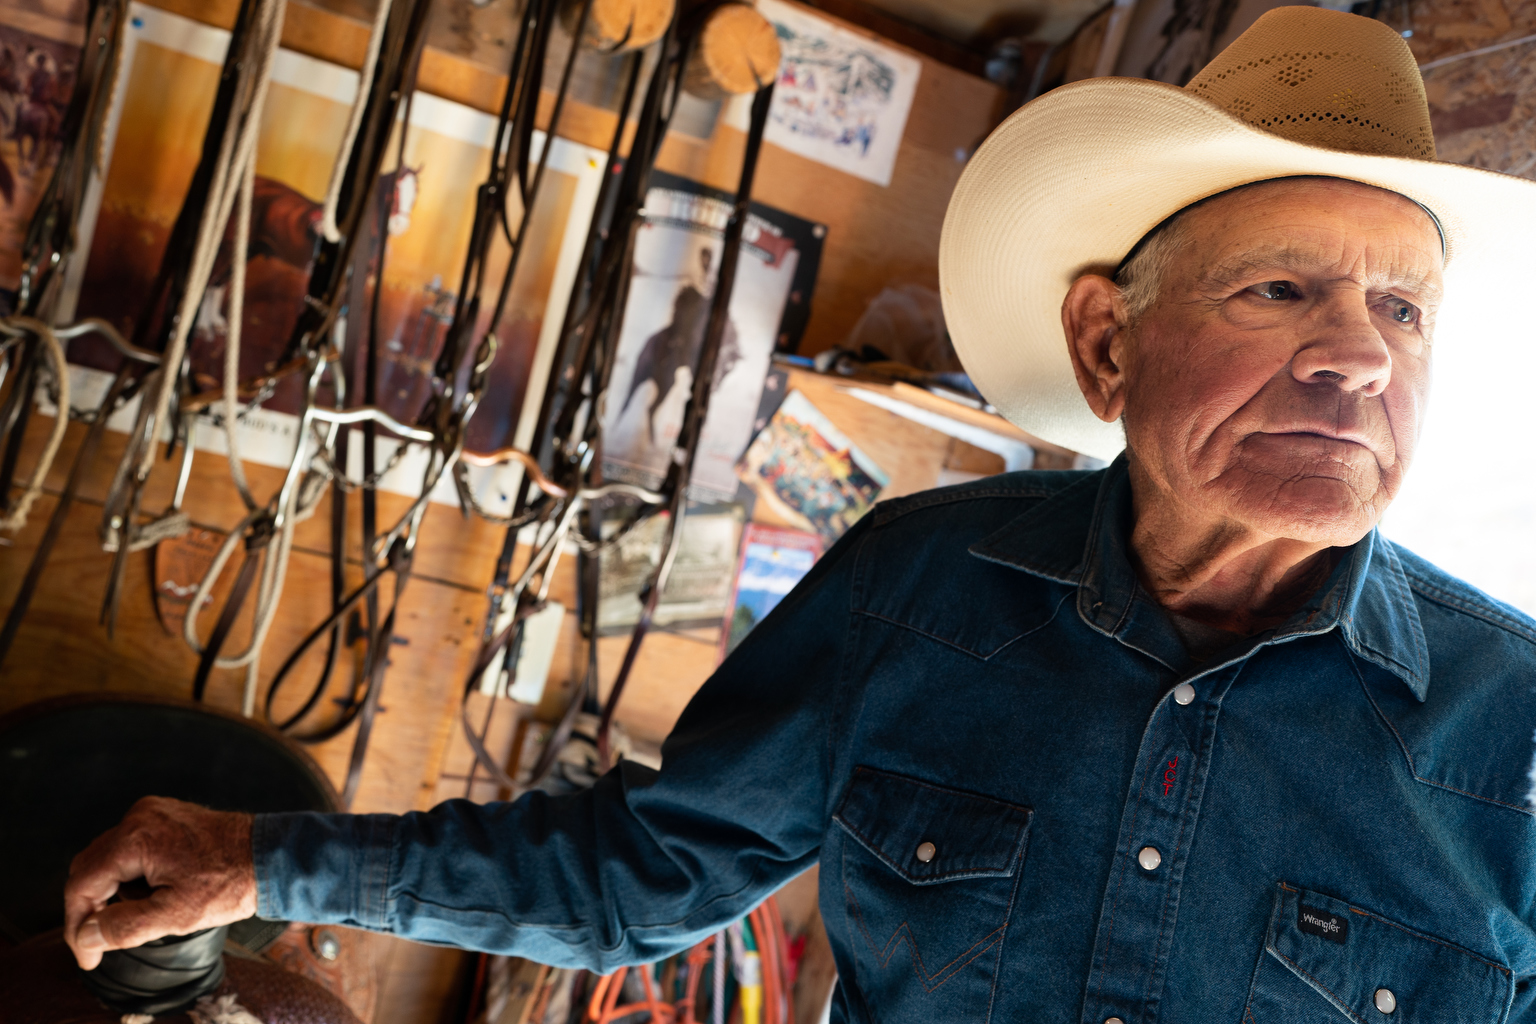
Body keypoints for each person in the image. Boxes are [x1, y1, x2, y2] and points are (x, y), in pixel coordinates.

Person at [63, 8, 1536, 1021]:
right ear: (1106, 343)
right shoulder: (923, 591)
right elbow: (643, 875)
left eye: (1402, 307)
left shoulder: (1514, 723)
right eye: (1282, 288)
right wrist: (265, 857)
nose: (1360, 352)